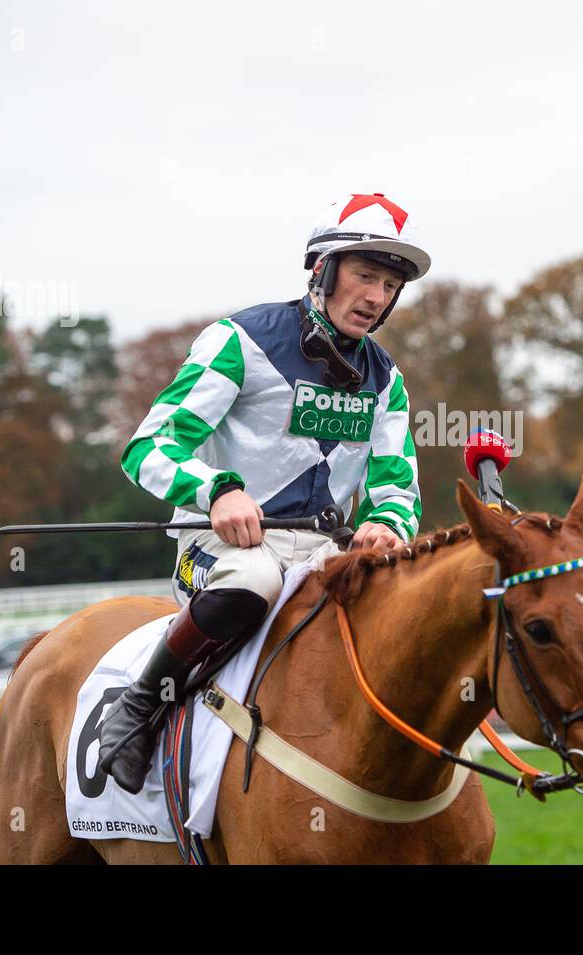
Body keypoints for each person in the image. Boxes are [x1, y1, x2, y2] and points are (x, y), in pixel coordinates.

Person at [97, 193, 428, 793]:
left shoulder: (388, 379)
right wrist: (218, 492)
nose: (377, 298)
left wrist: (388, 524)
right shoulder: (238, 339)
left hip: (328, 557)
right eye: (364, 275)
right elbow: (147, 447)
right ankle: (139, 705)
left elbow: (396, 484)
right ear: (323, 270)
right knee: (255, 582)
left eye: (389, 285)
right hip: (223, 555)